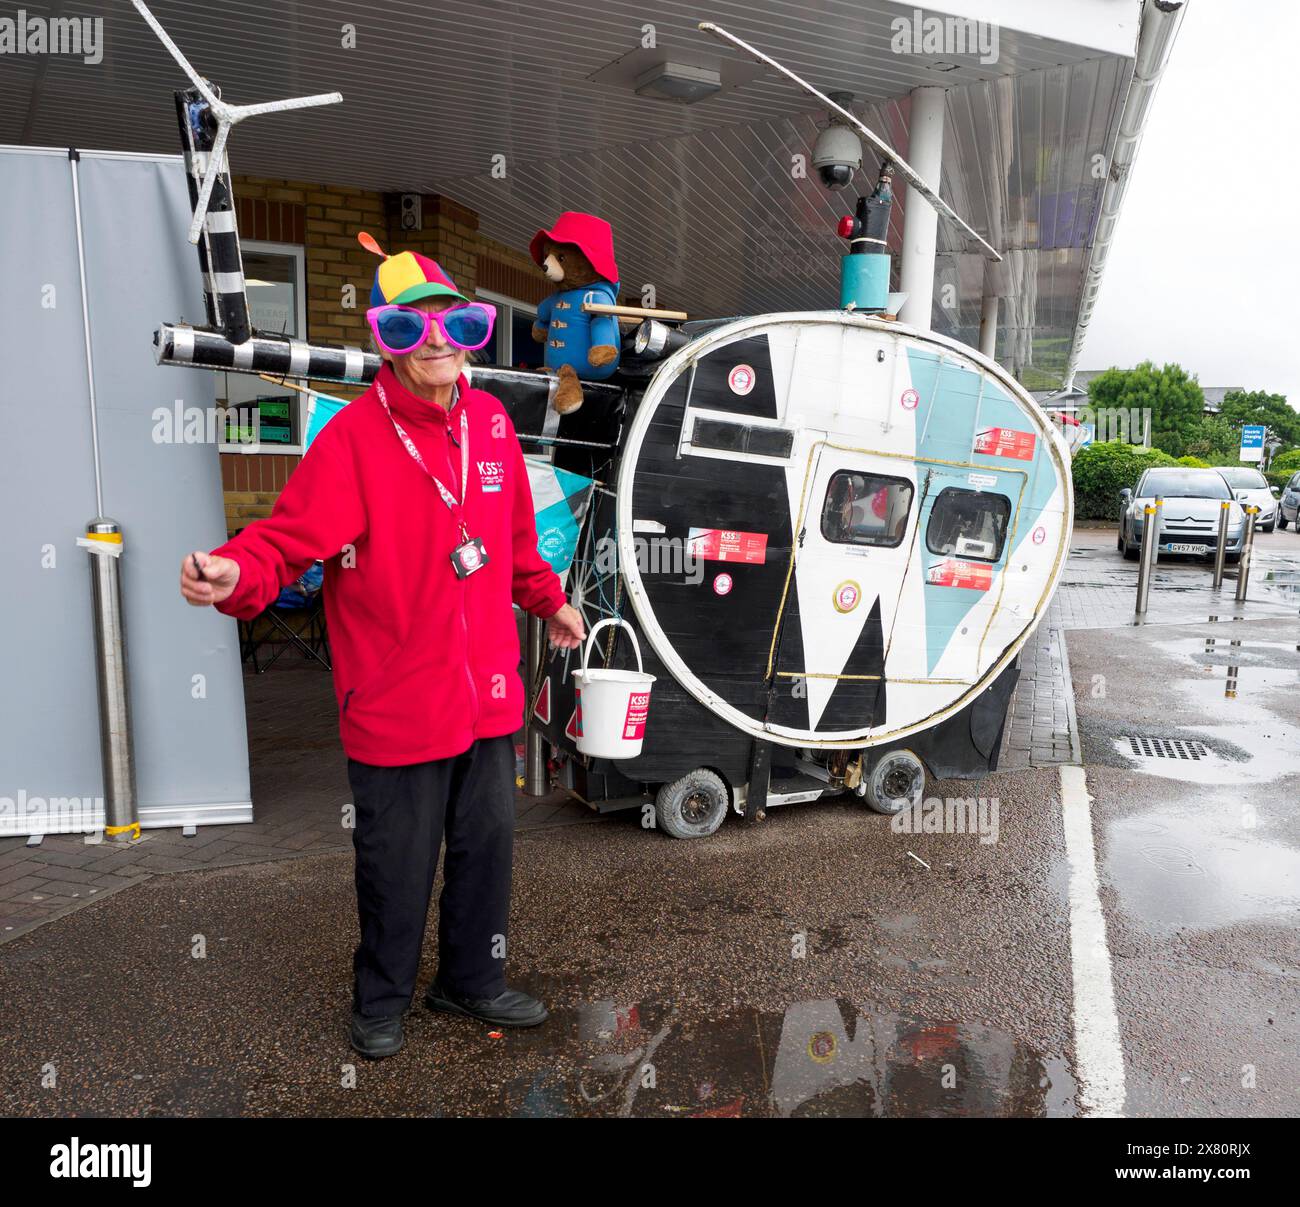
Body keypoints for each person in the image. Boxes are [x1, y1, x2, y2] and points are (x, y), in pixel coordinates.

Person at [179, 243, 586, 1059]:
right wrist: (235, 572)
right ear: (388, 337)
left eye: (453, 320)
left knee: (486, 850)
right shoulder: (355, 439)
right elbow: (284, 544)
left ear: (470, 331)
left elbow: (511, 546)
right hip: (396, 705)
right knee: (397, 867)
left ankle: (469, 979)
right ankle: (382, 996)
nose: (436, 340)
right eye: (412, 324)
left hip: (485, 699)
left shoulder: (493, 422)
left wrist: (551, 603)